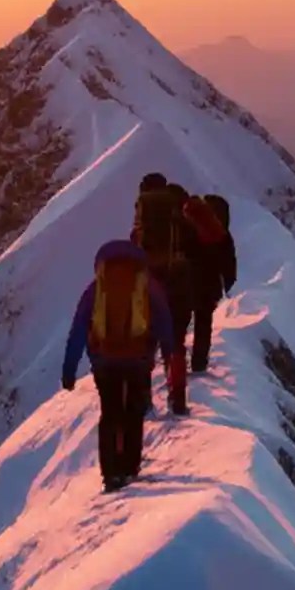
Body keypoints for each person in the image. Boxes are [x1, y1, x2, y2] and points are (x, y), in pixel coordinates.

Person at [62, 239, 174, 493]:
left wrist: (69, 370)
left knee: (110, 414)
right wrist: (168, 354)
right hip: (139, 360)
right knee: (133, 413)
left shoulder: (96, 289)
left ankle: (111, 472)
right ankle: (130, 467)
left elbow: (78, 330)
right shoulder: (148, 288)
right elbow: (164, 321)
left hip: (104, 362)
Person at [131, 174, 194, 414]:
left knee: (146, 343)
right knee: (175, 343)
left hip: (148, 287)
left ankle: (144, 397)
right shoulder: (181, 221)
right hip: (178, 286)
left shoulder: (141, 228)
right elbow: (195, 251)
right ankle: (177, 398)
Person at [182, 194, 237, 373]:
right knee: (203, 323)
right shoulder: (221, 233)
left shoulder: (189, 226)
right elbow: (228, 262)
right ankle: (199, 362)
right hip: (209, 284)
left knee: (181, 321)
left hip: (185, 281)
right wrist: (227, 284)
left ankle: (175, 358)